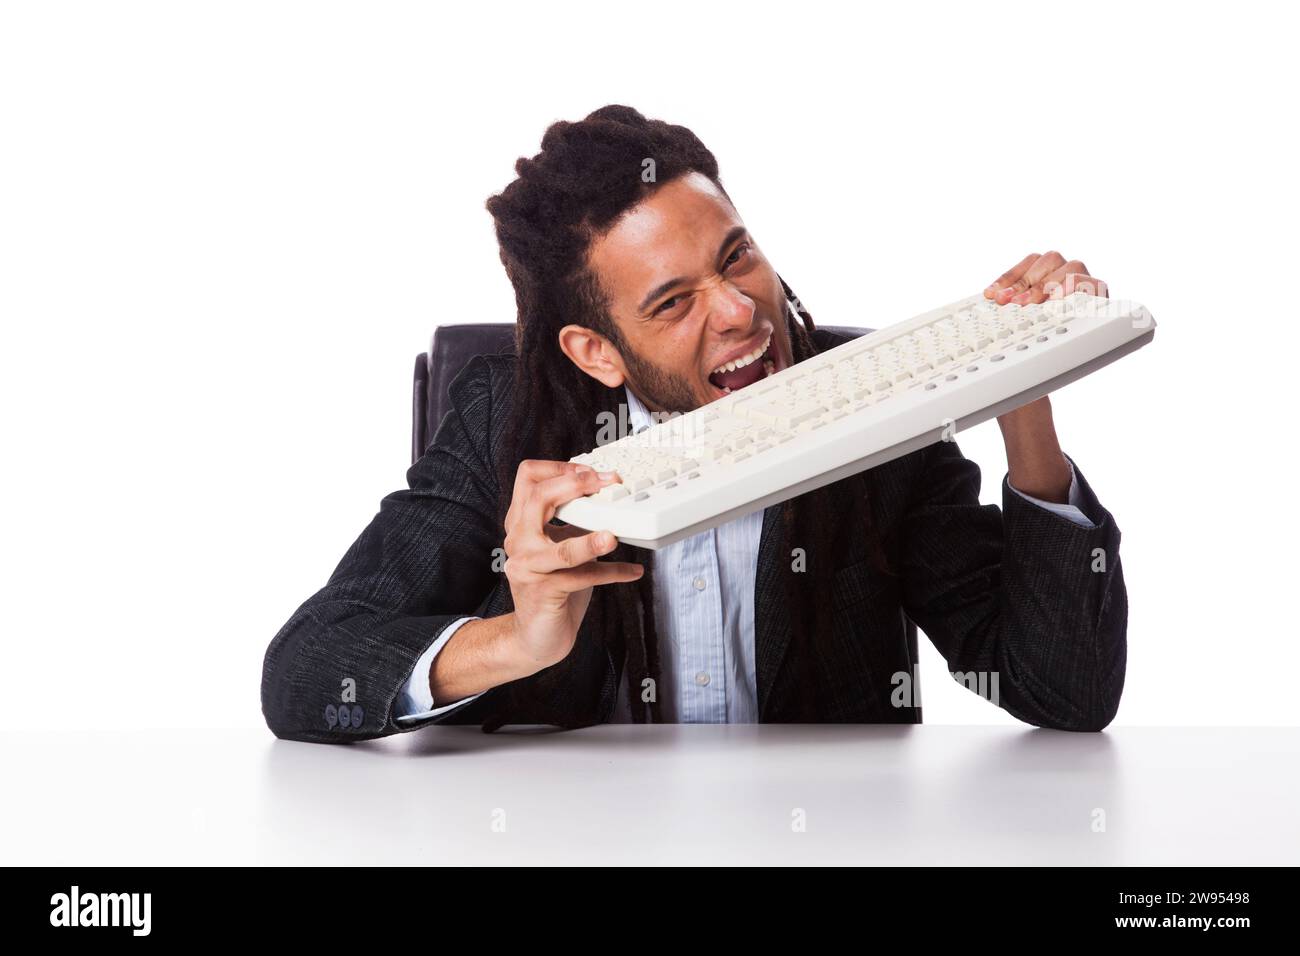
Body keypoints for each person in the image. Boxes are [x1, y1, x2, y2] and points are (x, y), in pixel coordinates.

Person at [261, 105, 1126, 743]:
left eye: (737, 257)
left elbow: (1064, 697)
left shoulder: (879, 406)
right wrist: (512, 644)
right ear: (597, 352)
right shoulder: (504, 420)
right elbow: (306, 670)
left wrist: (1024, 401)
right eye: (673, 302)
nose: (740, 311)